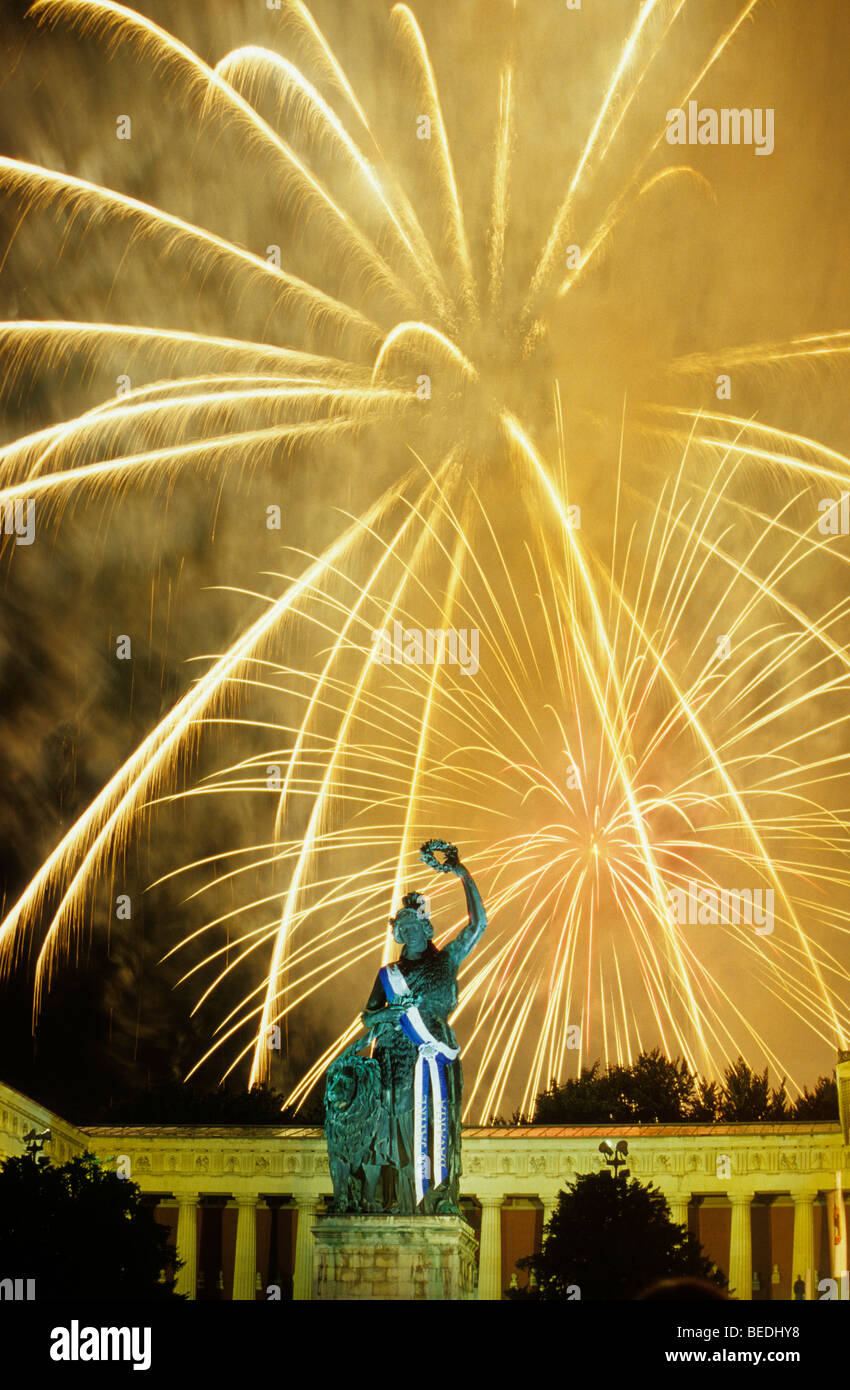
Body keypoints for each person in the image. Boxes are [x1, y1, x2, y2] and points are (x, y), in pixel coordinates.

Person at [361, 847, 487, 1214]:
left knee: (436, 1118)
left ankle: (437, 1198)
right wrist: (389, 1014)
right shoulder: (388, 975)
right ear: (398, 933)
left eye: (413, 926)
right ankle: (400, 1201)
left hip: (434, 1051)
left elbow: (478, 924)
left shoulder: (446, 959)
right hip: (396, 1056)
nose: (408, 932)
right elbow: (368, 1018)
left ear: (426, 927)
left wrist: (463, 873)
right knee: (399, 1124)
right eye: (402, 929)